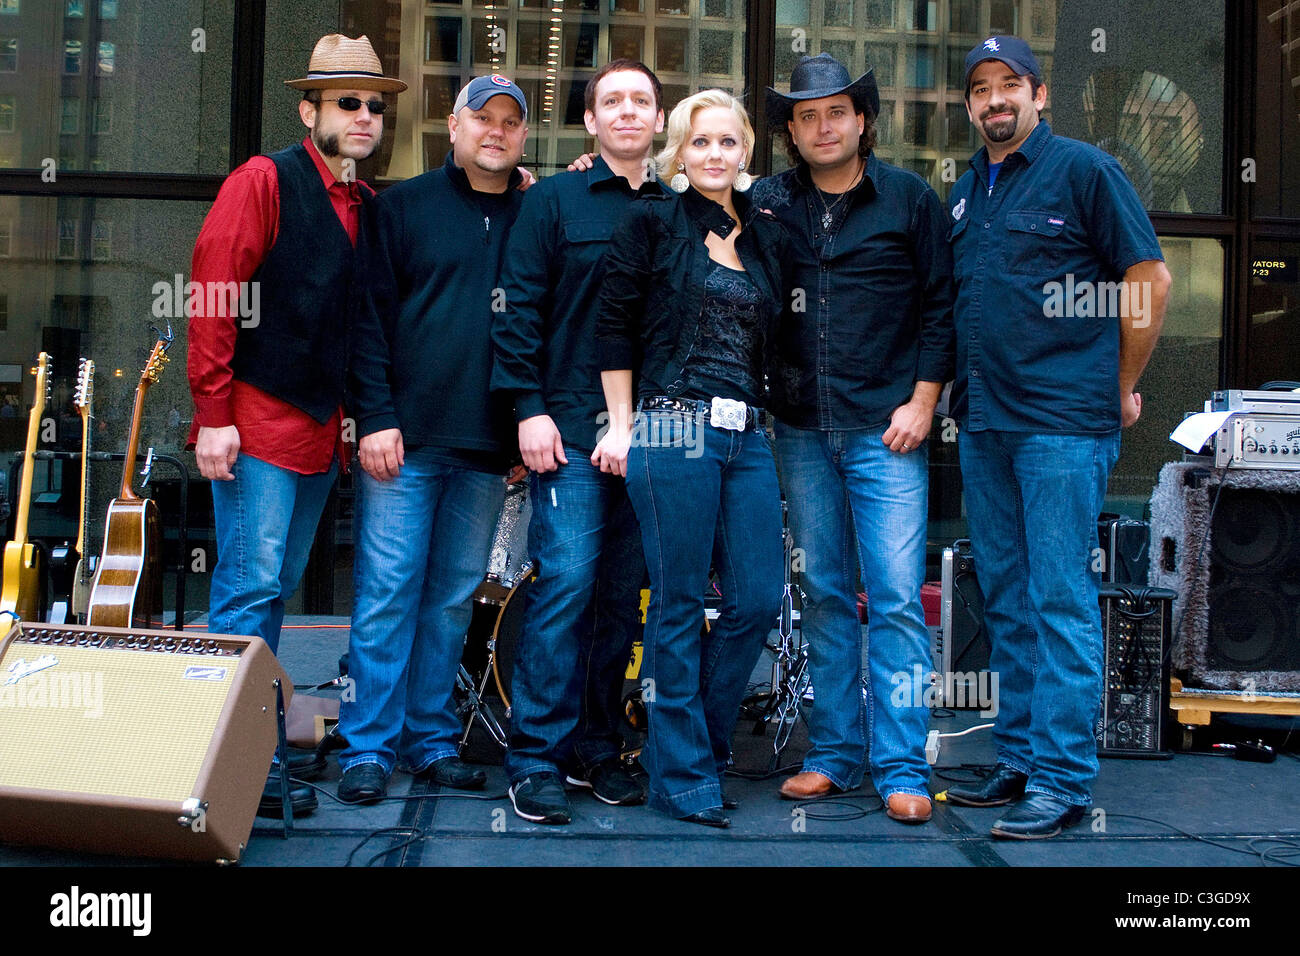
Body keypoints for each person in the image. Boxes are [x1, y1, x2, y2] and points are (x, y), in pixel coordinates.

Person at [941, 36, 1169, 838]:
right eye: (981, 89)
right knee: (1005, 597)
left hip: (1062, 425)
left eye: (1011, 85)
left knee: (1060, 598)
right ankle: (1021, 759)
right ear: (969, 105)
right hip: (986, 424)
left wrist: (1120, 386)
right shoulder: (969, 190)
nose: (995, 100)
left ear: (1039, 96)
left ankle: (1065, 781)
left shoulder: (1084, 171)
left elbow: (1149, 278)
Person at [186, 34, 404, 817]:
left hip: (316, 440)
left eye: (375, 105)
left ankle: (259, 755)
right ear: (308, 108)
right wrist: (212, 417)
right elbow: (212, 295)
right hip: (253, 430)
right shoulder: (263, 180)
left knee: (268, 594)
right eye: (347, 101)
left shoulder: (363, 203)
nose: (365, 115)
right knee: (247, 594)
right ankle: (220, 774)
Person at [752, 53, 954, 824]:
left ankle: (901, 763)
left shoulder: (909, 200)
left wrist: (924, 401)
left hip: (887, 431)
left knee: (898, 600)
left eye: (836, 111)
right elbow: (689, 211)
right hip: (800, 429)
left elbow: (943, 306)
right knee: (826, 596)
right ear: (792, 133)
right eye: (806, 115)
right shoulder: (767, 203)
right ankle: (834, 754)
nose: (823, 125)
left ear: (862, 120)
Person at [593, 90, 787, 828]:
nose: (713, 155)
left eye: (727, 142)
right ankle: (680, 776)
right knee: (676, 603)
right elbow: (613, 330)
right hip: (671, 426)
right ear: (678, 152)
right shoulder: (650, 224)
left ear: (745, 153)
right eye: (699, 142)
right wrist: (619, 424)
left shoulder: (765, 237)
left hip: (747, 434)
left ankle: (693, 750)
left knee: (755, 600)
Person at [336, 76, 530, 804]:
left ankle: (429, 738)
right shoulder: (404, 208)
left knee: (451, 598)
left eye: (511, 122)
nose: (497, 132)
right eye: (484, 119)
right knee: (387, 593)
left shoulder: (534, 213)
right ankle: (367, 746)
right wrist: (375, 416)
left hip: (485, 449)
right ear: (455, 126)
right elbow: (368, 320)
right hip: (406, 441)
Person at [491, 60, 665, 824]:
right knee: (564, 584)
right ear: (590, 122)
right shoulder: (554, 201)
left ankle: (599, 747)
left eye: (642, 101)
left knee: (623, 597)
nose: (628, 112)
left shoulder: (682, 205)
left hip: (657, 438)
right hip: (565, 427)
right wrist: (526, 409)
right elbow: (517, 309)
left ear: (659, 120)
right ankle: (535, 757)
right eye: (612, 102)